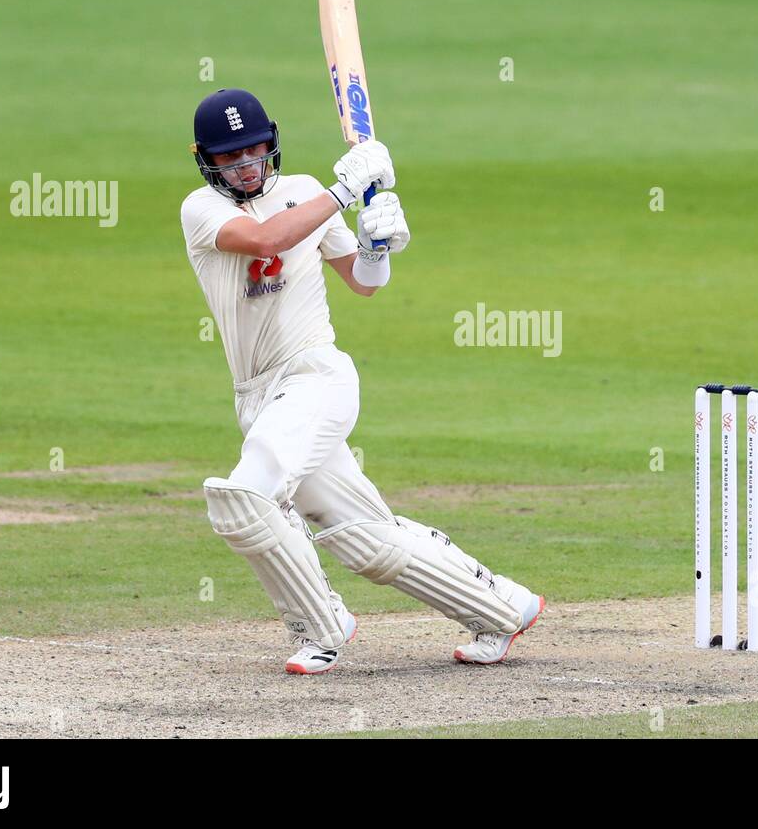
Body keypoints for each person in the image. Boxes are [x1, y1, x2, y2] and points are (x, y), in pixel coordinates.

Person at [178, 88, 542, 674]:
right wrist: (345, 190)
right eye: (230, 157)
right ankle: (504, 607)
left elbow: (365, 282)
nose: (246, 165)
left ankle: (321, 625)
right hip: (259, 394)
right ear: (205, 158)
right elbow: (269, 240)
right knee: (362, 536)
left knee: (245, 497)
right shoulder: (201, 208)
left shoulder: (301, 192)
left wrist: (377, 244)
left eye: (255, 150)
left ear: (271, 142)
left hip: (316, 377)